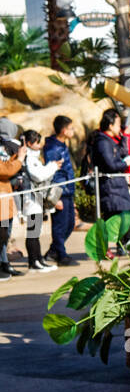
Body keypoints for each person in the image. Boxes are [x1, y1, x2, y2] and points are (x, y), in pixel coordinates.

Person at [92, 109, 130, 249]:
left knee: (123, 216)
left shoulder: (110, 140)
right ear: (110, 125)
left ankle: (122, 245)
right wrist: (125, 164)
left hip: (117, 186)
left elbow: (121, 153)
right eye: (118, 124)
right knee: (119, 216)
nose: (120, 127)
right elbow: (110, 164)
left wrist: (124, 137)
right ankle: (121, 245)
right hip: (111, 187)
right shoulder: (103, 142)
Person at [21, 130, 62, 271]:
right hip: (31, 199)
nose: (39, 145)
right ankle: (34, 262)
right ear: (28, 143)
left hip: (37, 198)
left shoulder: (34, 158)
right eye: (36, 142)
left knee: (36, 232)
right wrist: (53, 167)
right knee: (33, 232)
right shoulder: (28, 159)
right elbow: (38, 176)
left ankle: (38, 260)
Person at [43, 115, 76, 266]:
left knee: (69, 224)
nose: (73, 131)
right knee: (60, 224)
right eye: (70, 128)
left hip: (68, 190)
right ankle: (61, 254)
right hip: (60, 192)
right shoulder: (53, 148)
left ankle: (53, 251)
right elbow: (53, 174)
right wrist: (55, 197)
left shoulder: (63, 145)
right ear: (63, 130)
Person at [0, 135, 25, 280]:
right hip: (2, 201)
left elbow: (6, 167)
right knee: (2, 234)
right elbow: (5, 171)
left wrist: (17, 155)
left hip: (5, 200)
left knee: (5, 234)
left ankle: (4, 263)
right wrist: (20, 159)